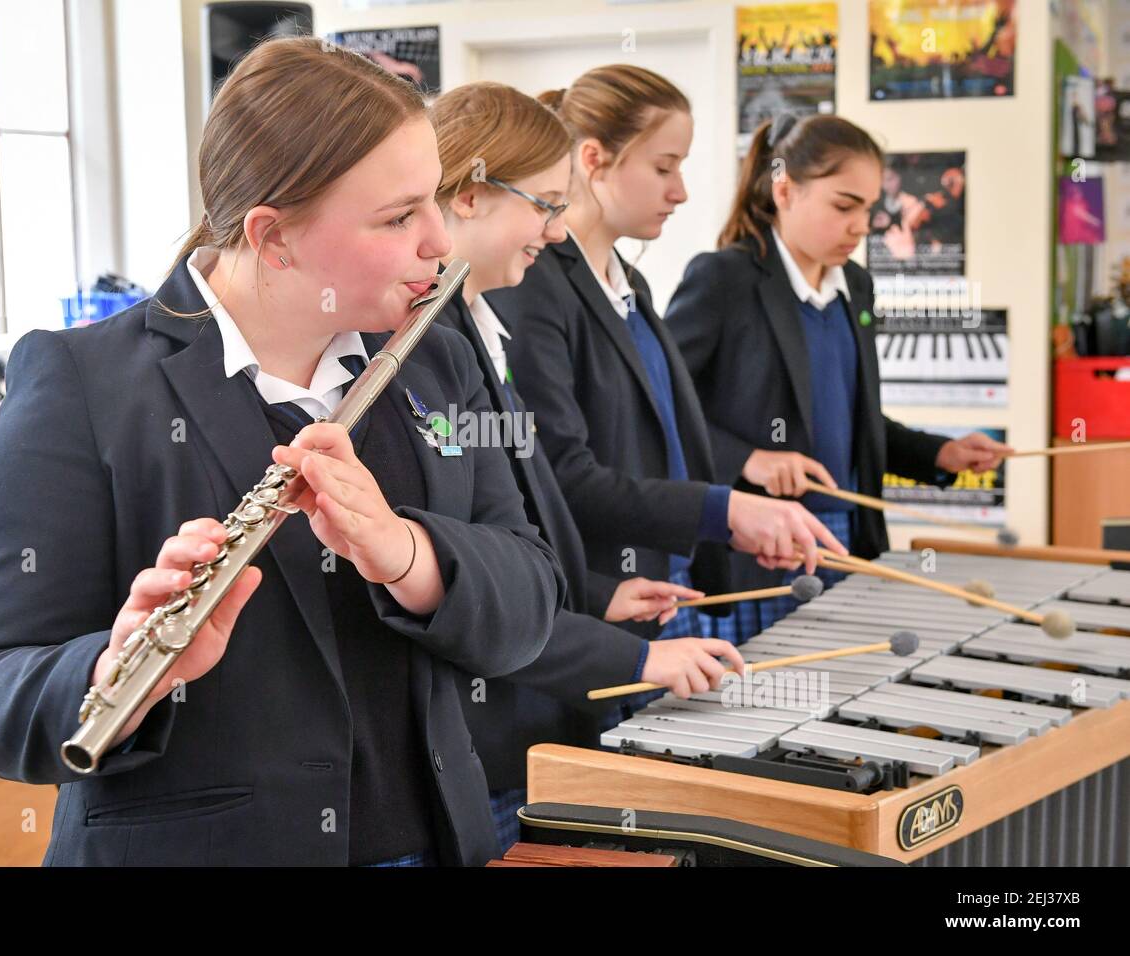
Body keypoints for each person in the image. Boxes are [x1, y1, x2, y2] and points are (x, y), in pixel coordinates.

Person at [0, 37, 564, 868]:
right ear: (273, 238)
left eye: (435, 204)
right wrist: (119, 668)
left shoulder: (438, 358)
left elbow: (530, 601)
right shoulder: (80, 385)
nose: (440, 243)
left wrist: (406, 553)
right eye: (397, 218)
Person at [429, 81, 745, 850]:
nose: (557, 229)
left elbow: (513, 531)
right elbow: (460, 579)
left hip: (545, 682)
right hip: (491, 722)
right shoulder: (432, 344)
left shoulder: (473, 332)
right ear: (470, 196)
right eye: (544, 203)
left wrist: (595, 594)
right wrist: (634, 655)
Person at [488, 65, 845, 649]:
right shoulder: (535, 285)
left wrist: (732, 523)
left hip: (664, 581)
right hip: (593, 597)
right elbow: (557, 474)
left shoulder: (630, 282)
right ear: (594, 158)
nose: (679, 191)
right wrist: (722, 510)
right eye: (663, 167)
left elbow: (672, 440)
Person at [666, 113, 1010, 636]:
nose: (862, 225)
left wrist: (938, 454)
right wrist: (749, 459)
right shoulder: (724, 279)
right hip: (759, 551)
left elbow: (855, 421)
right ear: (785, 191)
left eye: (870, 208)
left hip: (848, 537)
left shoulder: (855, 286)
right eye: (845, 206)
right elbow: (661, 410)